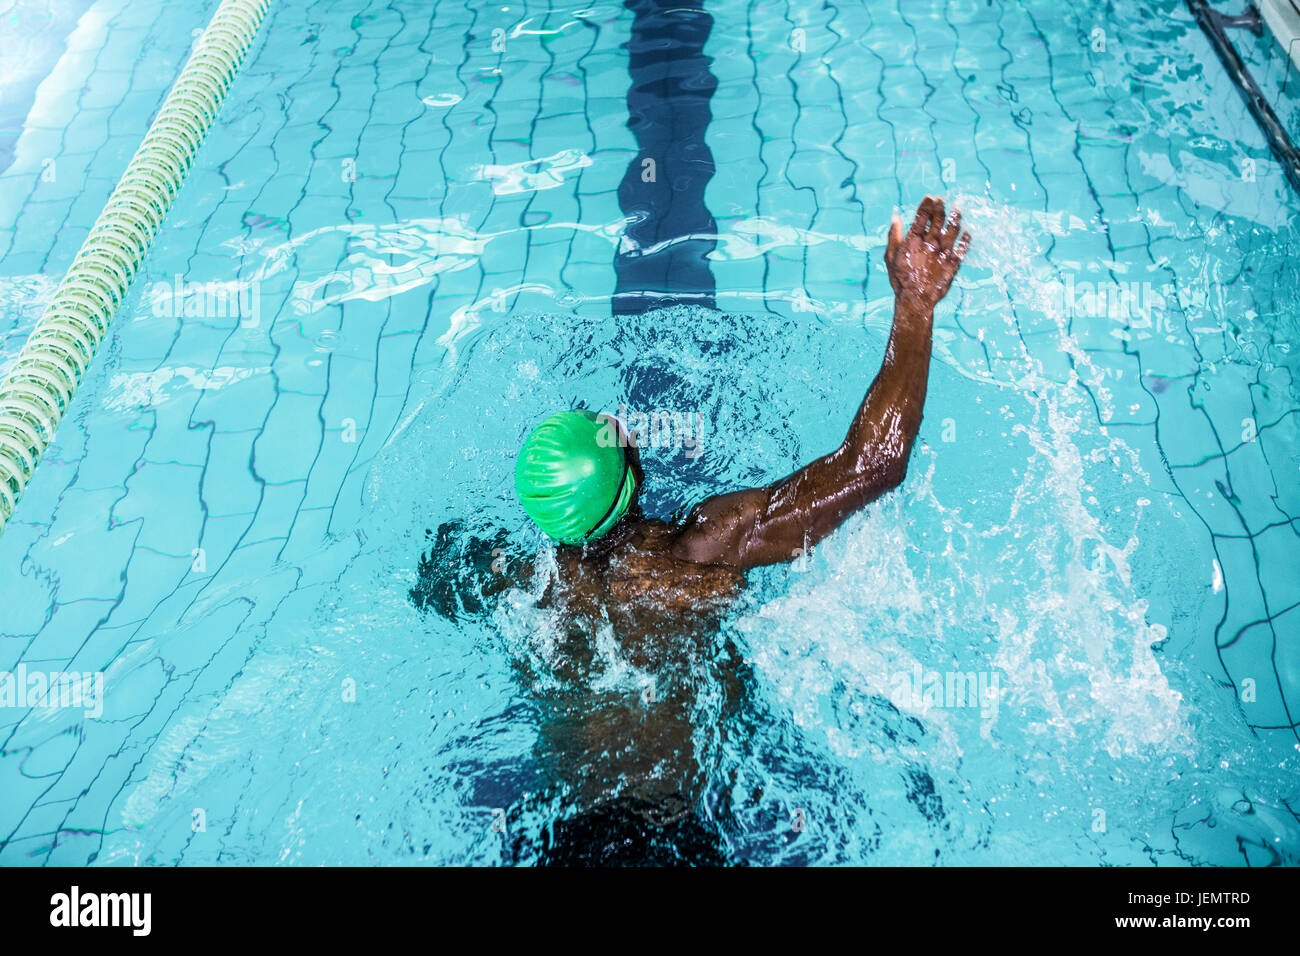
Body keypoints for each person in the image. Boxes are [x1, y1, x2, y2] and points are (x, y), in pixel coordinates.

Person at [412, 196, 970, 865]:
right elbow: (872, 466)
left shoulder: (517, 582)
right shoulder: (699, 551)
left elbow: (436, 581)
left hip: (569, 838)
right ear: (632, 478)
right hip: (674, 835)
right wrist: (915, 306)